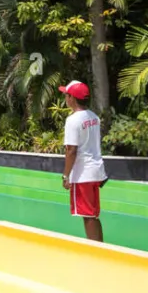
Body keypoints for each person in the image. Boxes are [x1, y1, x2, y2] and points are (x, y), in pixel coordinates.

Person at [59, 80, 107, 242]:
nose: (65, 97)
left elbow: (71, 150)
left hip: (83, 174)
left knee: (87, 215)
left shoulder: (73, 121)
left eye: (66, 94)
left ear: (72, 98)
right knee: (92, 214)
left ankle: (97, 251)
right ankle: (101, 247)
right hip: (96, 171)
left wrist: (66, 175)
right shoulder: (93, 117)